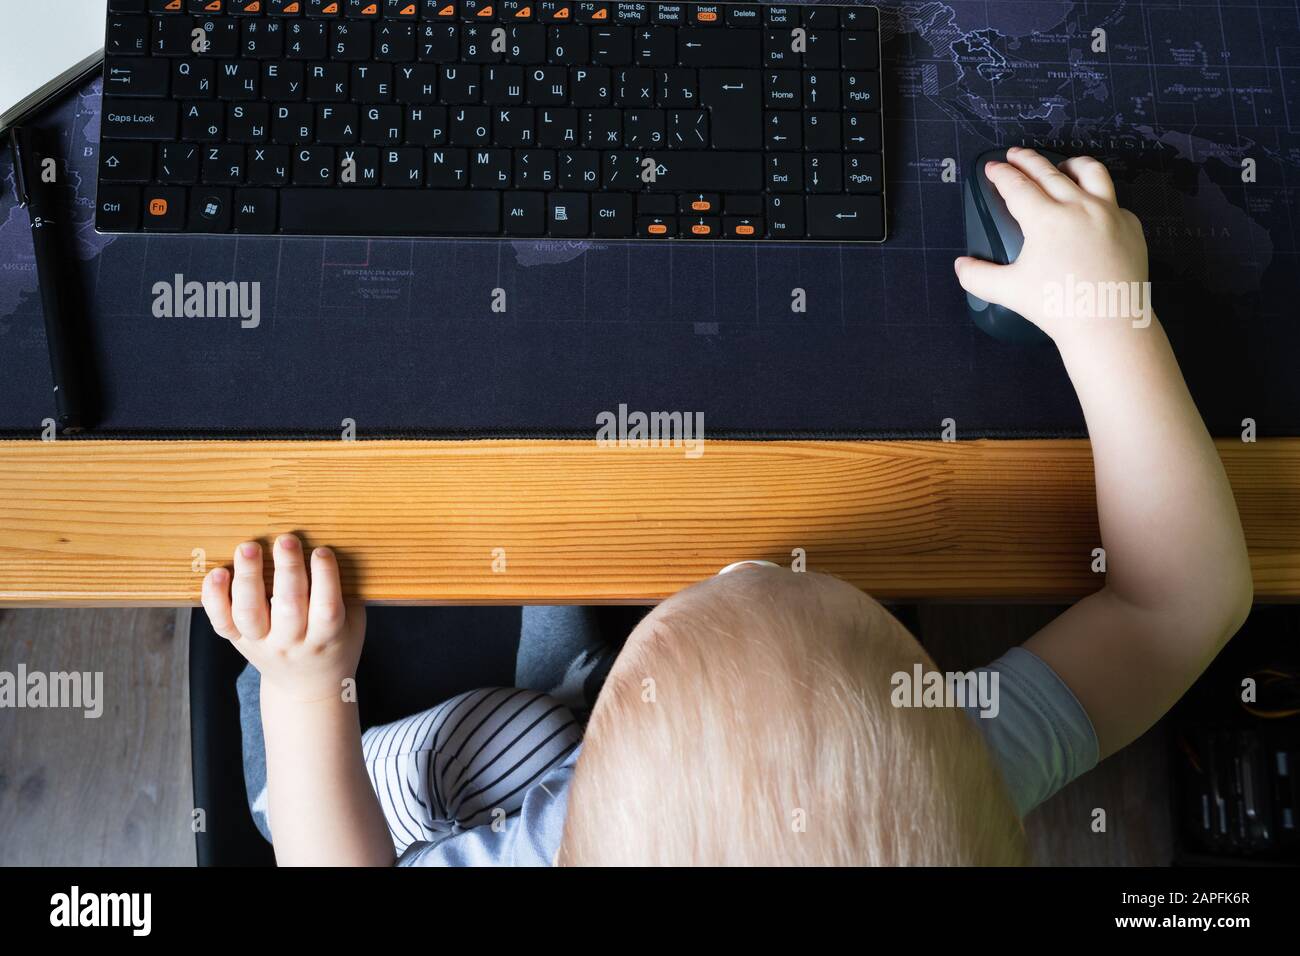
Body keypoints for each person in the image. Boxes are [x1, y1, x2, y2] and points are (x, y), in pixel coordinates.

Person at [202, 148, 1252, 865]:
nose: (742, 561)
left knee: (459, 731)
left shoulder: (537, 847)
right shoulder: (932, 772)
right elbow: (1182, 602)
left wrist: (307, 687)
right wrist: (1108, 319)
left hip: (431, 782)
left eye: (703, 593)